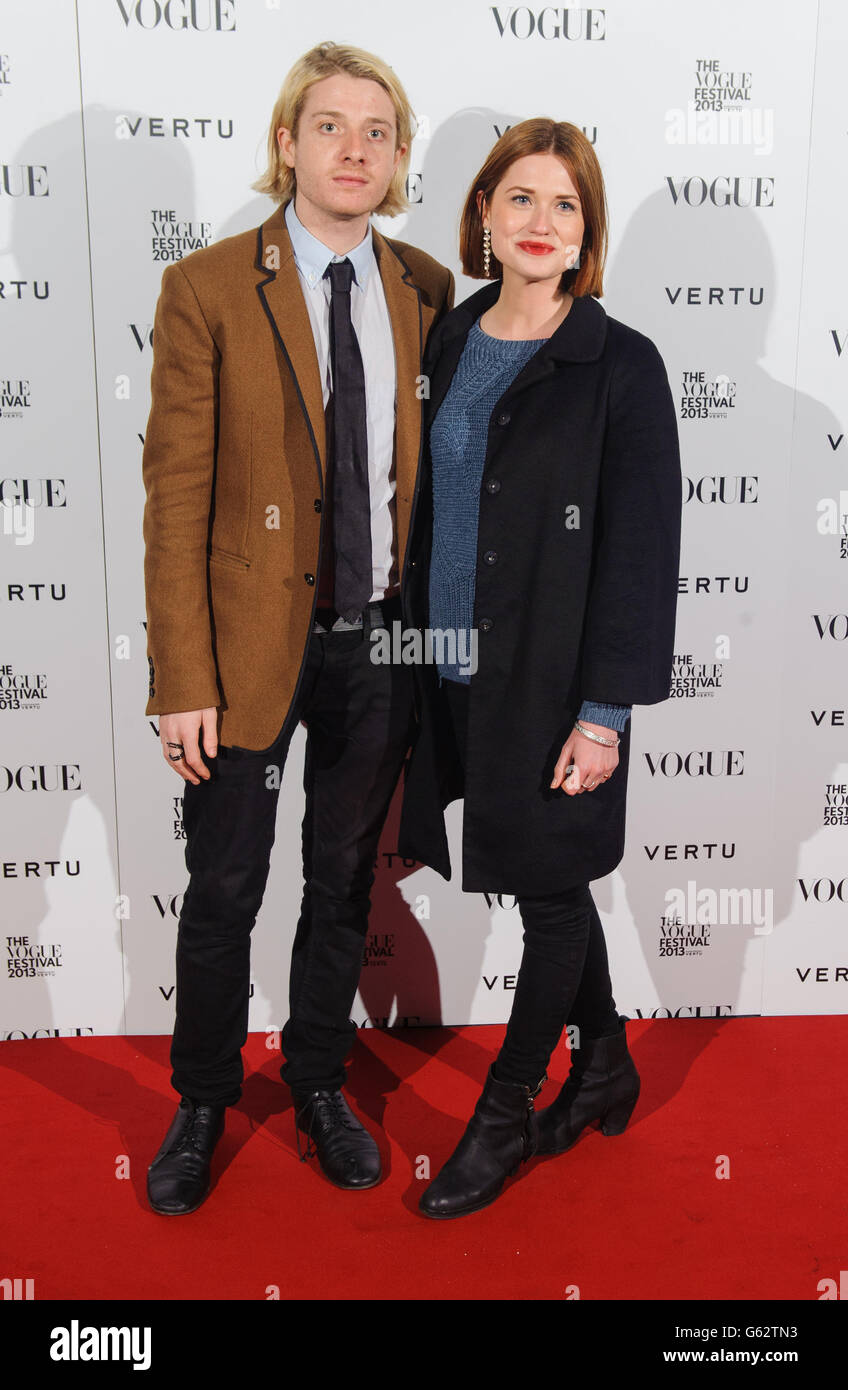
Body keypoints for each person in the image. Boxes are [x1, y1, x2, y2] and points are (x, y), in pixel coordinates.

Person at [141, 41, 454, 1215]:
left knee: (340, 884)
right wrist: (183, 674)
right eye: (330, 126)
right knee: (223, 884)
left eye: (377, 131)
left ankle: (319, 1081)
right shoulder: (209, 287)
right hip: (242, 651)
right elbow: (175, 498)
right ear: (287, 143)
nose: (355, 148)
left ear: (395, 156)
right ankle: (203, 1097)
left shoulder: (425, 288)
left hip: (379, 643)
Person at [398, 119, 682, 1219]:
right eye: (518, 198)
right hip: (452, 672)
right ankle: (604, 1060)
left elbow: (638, 552)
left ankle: (506, 1109)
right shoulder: (449, 341)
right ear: (480, 214)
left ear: (584, 235)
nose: (538, 222)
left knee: (551, 903)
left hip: (555, 689)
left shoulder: (620, 364)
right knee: (545, 878)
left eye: (562, 205)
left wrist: (603, 712)